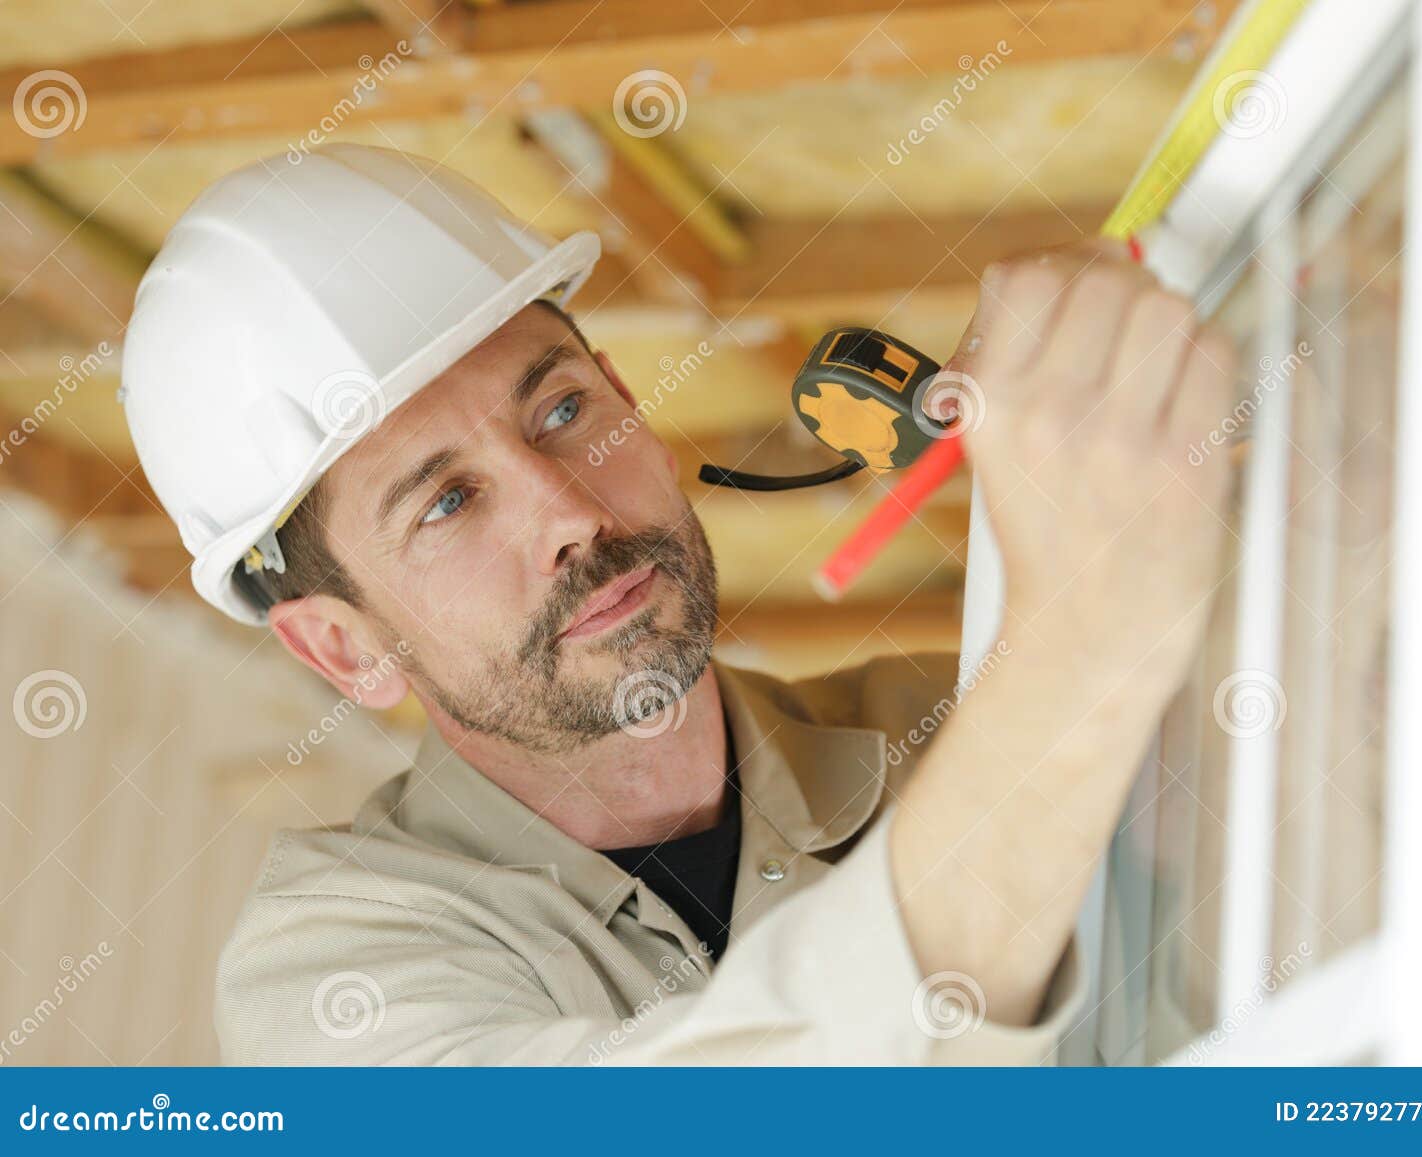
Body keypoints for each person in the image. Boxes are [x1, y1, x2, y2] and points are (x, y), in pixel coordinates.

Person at [121, 145, 1236, 1064]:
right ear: (343, 647)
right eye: (449, 501)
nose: (567, 510)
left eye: (560, 410)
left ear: (624, 398)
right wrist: (1081, 639)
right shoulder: (333, 973)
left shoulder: (950, 717)